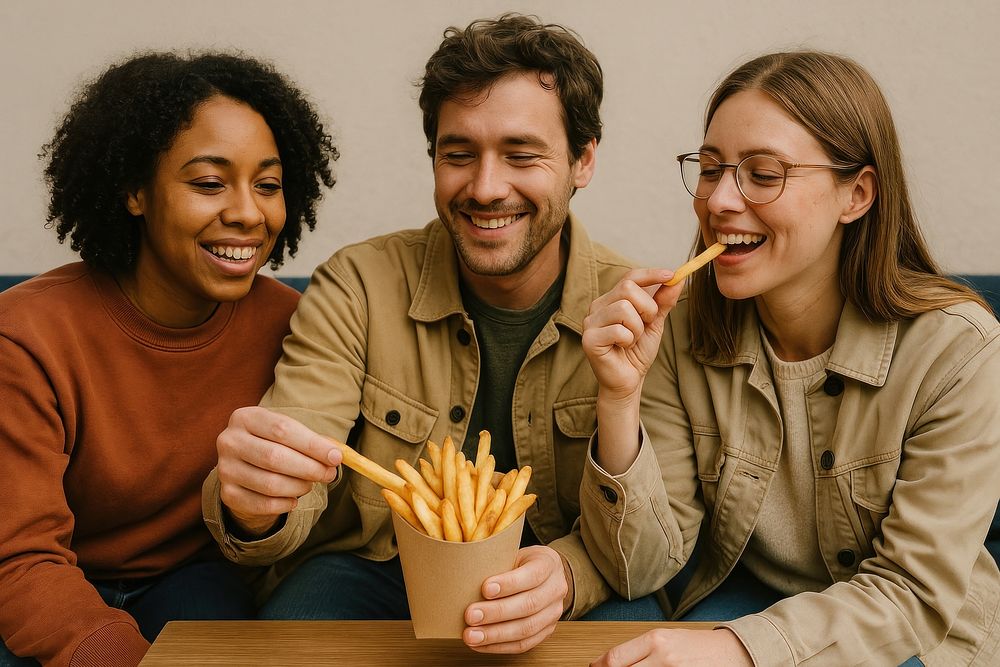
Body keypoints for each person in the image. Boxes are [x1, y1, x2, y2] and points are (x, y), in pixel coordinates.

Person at [201, 13, 650, 654]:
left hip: (560, 571)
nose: (486, 188)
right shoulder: (357, 283)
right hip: (374, 569)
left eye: (521, 155)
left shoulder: (638, 308)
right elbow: (292, 462)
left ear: (582, 161)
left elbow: (653, 542)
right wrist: (255, 504)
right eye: (458, 155)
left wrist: (572, 575)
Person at [580, 50, 999, 666]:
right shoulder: (681, 324)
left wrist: (739, 650)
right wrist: (619, 398)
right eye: (711, 167)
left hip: (913, 639)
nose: (720, 199)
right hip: (758, 605)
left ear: (856, 193)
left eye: (764, 173)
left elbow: (912, 598)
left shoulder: (958, 350)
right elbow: (640, 566)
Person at [0, 52, 337, 667]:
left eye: (268, 185)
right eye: (208, 183)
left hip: (194, 580)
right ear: (134, 191)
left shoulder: (294, 325)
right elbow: (18, 558)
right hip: (48, 585)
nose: (247, 213)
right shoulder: (26, 336)